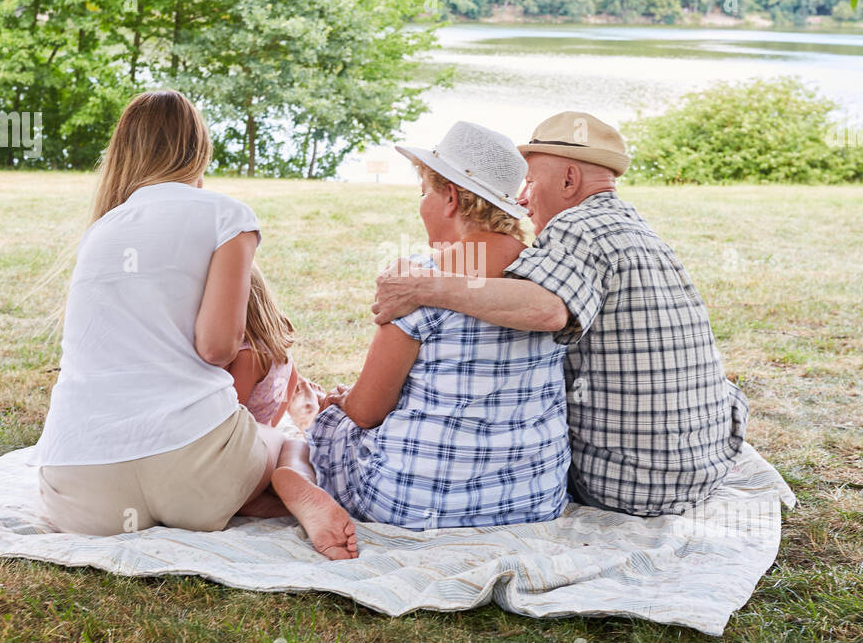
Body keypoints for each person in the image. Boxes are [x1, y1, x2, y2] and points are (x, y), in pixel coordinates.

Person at [373, 110, 748, 518]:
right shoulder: (629, 224)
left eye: (530, 182)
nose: (520, 198)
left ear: (569, 180)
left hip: (629, 486)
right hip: (701, 463)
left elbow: (549, 309)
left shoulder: (576, 227)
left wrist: (425, 286)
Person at [33, 90, 357, 560]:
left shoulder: (101, 230)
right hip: (197, 478)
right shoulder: (227, 215)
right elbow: (216, 346)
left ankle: (247, 499)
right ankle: (288, 483)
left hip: (80, 490)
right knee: (288, 445)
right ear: (199, 148)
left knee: (168, 472)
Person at [303, 121, 571, 530]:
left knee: (329, 428)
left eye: (424, 192)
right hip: (532, 500)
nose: (421, 204)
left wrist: (343, 401)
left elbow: (368, 411)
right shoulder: (551, 278)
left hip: (419, 504)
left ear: (449, 198)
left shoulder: (420, 283)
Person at [224, 263, 324, 431]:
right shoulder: (275, 345)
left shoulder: (249, 357)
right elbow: (291, 381)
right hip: (266, 434)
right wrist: (270, 426)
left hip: (244, 444)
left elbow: (228, 417)